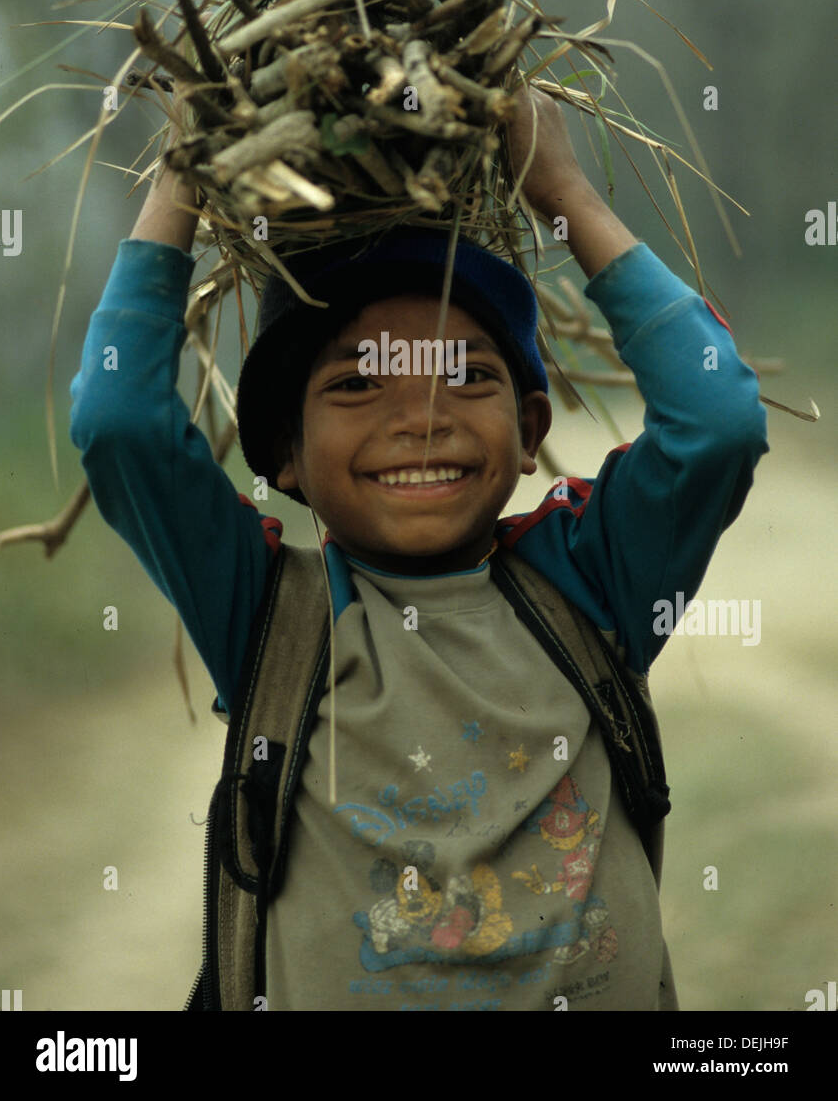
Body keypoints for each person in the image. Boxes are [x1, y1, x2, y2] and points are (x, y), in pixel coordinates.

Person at [69, 87, 769, 1010]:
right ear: (283, 451)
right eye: (359, 384)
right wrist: (181, 181)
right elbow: (118, 421)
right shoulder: (270, 619)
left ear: (528, 432)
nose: (422, 416)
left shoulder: (589, 582)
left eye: (465, 374)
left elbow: (717, 421)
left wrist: (559, 187)